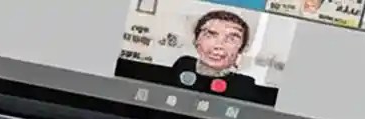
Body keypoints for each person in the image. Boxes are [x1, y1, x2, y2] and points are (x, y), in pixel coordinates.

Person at [113, 10, 279, 107]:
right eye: (210, 35)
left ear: (241, 48)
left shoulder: (246, 88)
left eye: (232, 38)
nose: (218, 45)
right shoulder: (174, 70)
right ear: (196, 40)